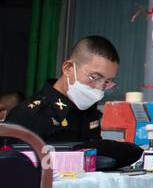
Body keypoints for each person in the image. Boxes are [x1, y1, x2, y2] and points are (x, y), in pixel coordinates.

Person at [5, 36, 141, 169]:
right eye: (94, 77)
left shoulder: (88, 111)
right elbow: (13, 171)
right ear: (68, 68)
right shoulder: (29, 114)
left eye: (106, 82)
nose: (99, 88)